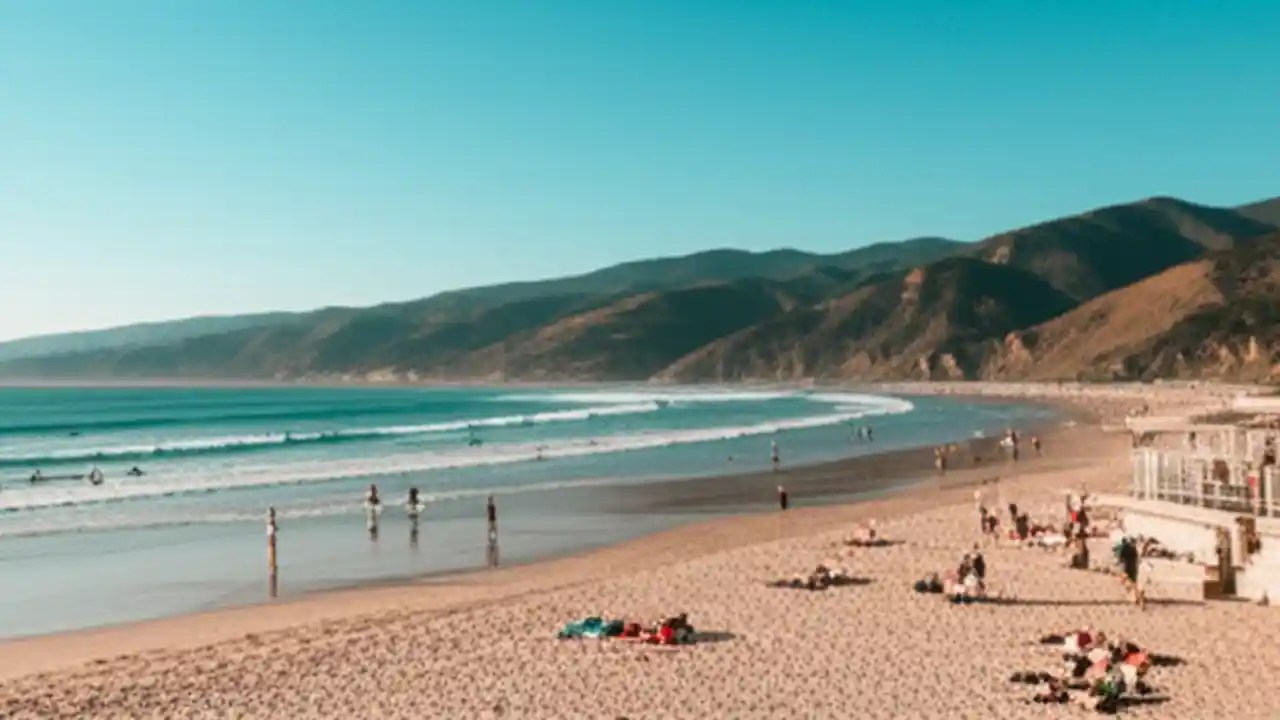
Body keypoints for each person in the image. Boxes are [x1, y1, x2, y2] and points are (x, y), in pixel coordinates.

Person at [1118, 537, 1144, 609]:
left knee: (1129, 582)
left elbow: (1121, 558)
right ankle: (1137, 596)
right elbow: (1137, 558)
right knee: (1132, 582)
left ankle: (1137, 597)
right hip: (1132, 567)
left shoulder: (1126, 547)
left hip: (1128, 567)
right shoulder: (1133, 548)